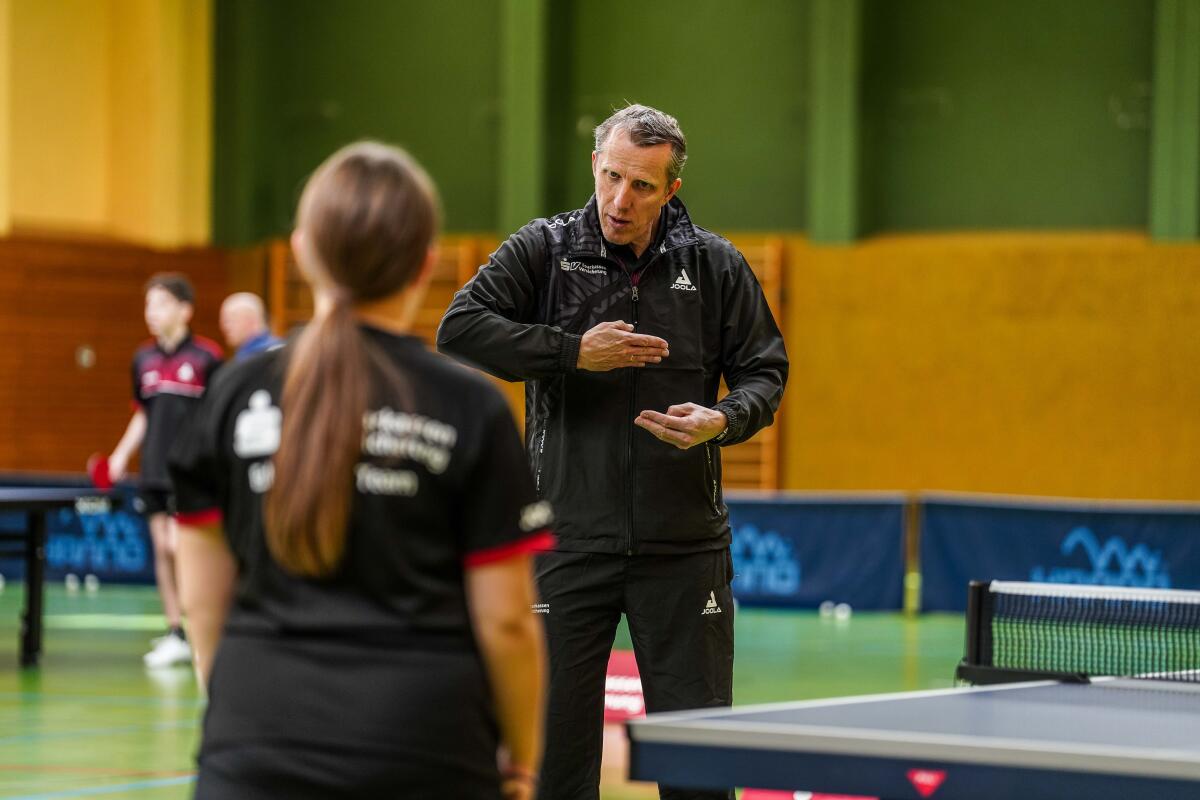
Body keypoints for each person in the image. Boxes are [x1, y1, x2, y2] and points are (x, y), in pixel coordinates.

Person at [169, 141, 549, 799]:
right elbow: (508, 621)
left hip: (254, 741)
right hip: (425, 749)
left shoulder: (234, 393)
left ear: (301, 251)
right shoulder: (469, 405)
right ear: (426, 265)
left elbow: (201, 589)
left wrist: (237, 706)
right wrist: (522, 760)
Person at [437, 104, 788, 800]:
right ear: (595, 168)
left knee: (698, 761)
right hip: (564, 543)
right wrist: (571, 351)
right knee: (555, 763)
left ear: (672, 191)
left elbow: (765, 373)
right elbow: (459, 328)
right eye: (611, 177)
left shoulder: (715, 265)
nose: (620, 200)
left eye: (643, 186)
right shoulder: (542, 249)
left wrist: (722, 418)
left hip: (683, 548)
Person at [106, 272, 223, 668]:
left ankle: (199, 626)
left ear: (184, 310)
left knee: (181, 547)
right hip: (152, 469)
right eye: (148, 305)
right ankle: (176, 630)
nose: (150, 313)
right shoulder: (144, 359)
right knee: (161, 548)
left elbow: (217, 418)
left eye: (159, 304)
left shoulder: (207, 358)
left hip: (190, 471)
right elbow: (142, 414)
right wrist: (121, 456)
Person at [218, 292, 283, 360]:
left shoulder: (267, 354)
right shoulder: (246, 353)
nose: (224, 327)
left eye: (229, 321)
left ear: (250, 320)